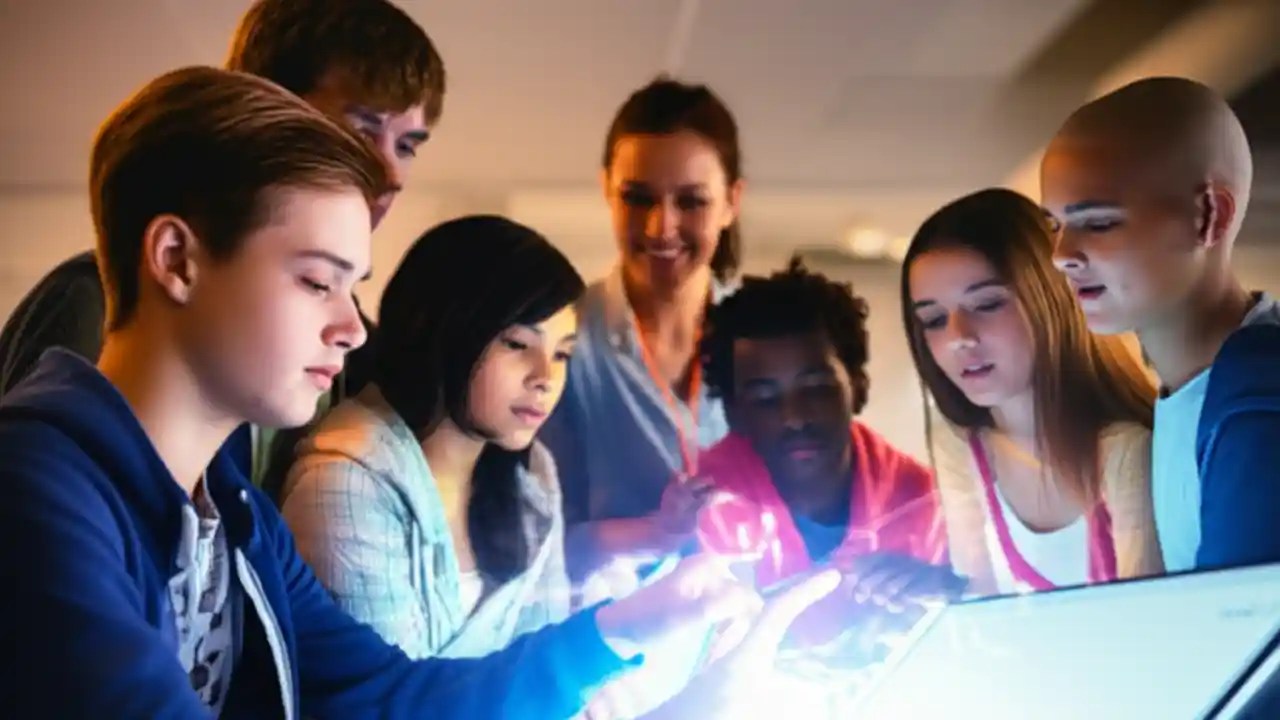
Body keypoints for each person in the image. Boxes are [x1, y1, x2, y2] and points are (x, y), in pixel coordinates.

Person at [0, 66, 833, 720]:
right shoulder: (35, 486)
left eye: (353, 288)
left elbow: (394, 701)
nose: (353, 327)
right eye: (317, 283)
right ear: (178, 260)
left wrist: (631, 627)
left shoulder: (235, 515)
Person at [0, 0, 443, 481]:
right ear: (264, 107)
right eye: (361, 128)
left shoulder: (359, 358)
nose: (389, 173)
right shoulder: (90, 305)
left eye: (406, 146)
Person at [281, 215, 580, 661]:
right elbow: (395, 700)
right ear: (447, 332)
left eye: (562, 354)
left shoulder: (533, 475)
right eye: (517, 345)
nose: (545, 378)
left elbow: (551, 653)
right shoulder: (346, 483)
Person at [1040, 76, 1280, 572]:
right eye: (1055, 227)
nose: (1061, 256)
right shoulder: (1197, 389)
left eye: (1099, 222)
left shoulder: (1256, 399)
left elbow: (1242, 631)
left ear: (1207, 216)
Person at [903, 188, 1163, 596]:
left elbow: (1144, 617)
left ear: (1051, 298)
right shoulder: (959, 443)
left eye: (987, 304)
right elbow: (980, 605)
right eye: (934, 319)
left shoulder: (1127, 450)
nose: (959, 338)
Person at [541, 77, 745, 581]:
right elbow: (545, 548)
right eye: (638, 198)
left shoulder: (760, 339)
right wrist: (655, 532)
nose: (661, 228)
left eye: (692, 201)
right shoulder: (563, 339)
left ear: (731, 202)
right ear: (607, 190)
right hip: (612, 634)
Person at [695, 258, 951, 643]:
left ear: (859, 387)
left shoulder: (921, 504)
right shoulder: (701, 508)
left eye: (816, 389)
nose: (794, 417)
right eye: (765, 398)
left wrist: (943, 596)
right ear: (734, 412)